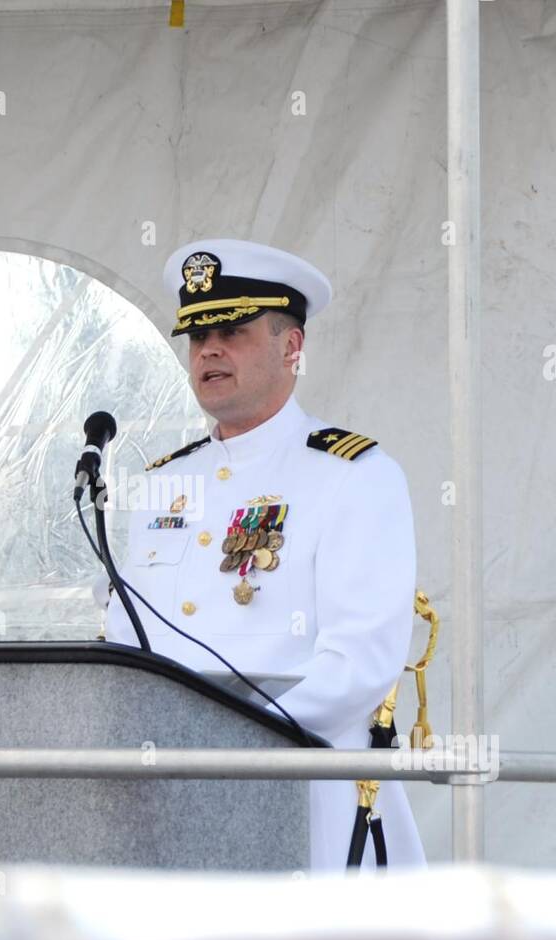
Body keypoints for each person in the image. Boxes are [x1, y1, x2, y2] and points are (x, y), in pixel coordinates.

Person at [100, 238, 426, 874]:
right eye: (197, 336)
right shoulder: (166, 481)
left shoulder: (353, 475)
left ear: (292, 348)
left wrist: (225, 739)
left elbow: (359, 665)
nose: (209, 349)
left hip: (302, 800)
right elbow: (124, 642)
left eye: (233, 330)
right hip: (169, 802)